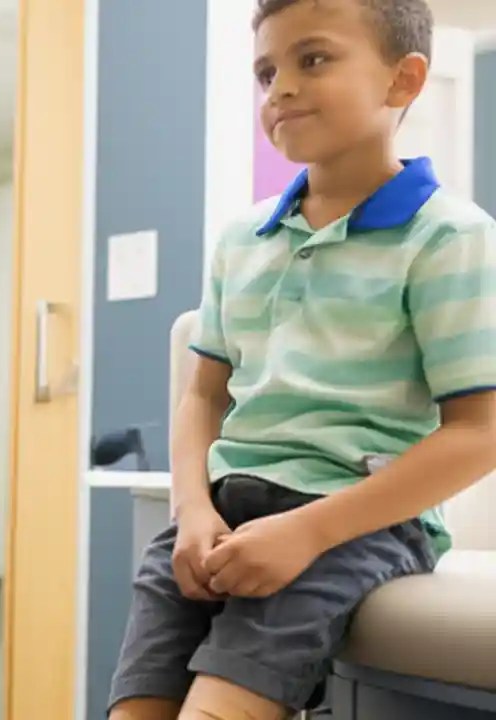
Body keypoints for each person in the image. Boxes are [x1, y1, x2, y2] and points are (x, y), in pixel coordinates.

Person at [109, 1, 496, 718]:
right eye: (265, 71)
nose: (279, 87)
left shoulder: (450, 237)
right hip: (222, 513)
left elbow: (481, 432)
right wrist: (192, 509)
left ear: (403, 81)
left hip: (356, 523)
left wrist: (309, 530)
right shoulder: (242, 240)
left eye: (311, 60)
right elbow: (204, 397)